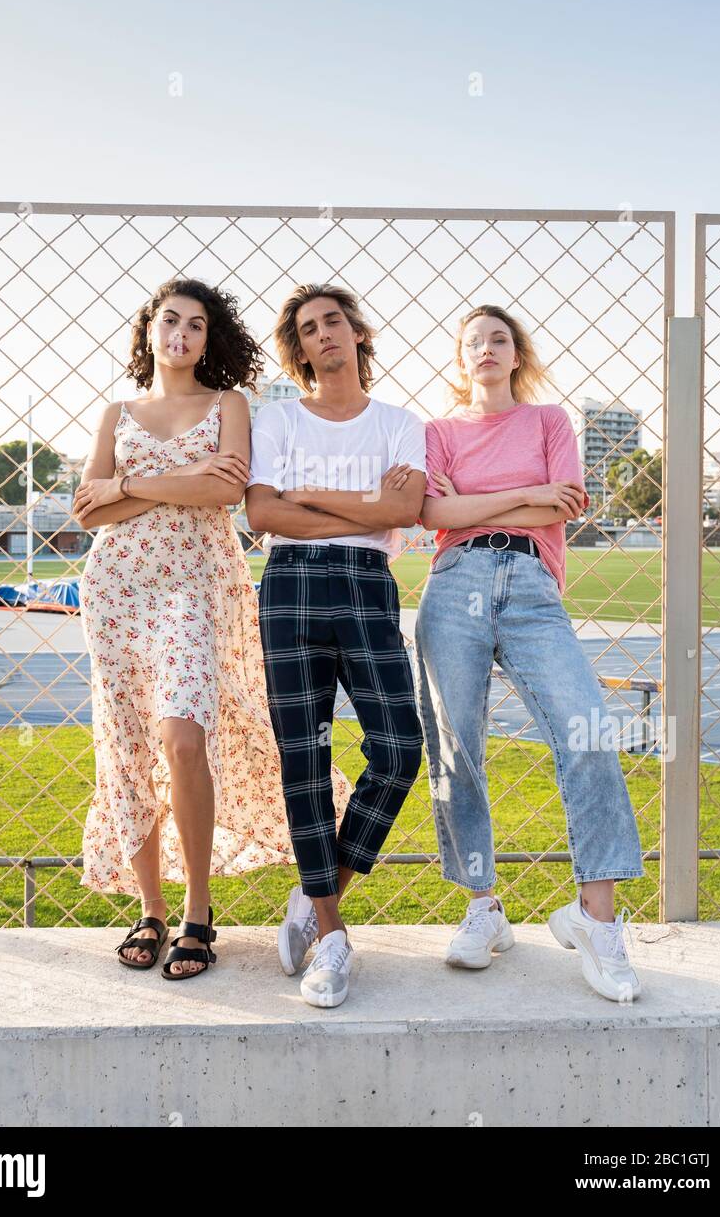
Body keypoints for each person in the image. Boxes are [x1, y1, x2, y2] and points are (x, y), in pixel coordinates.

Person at [73, 276, 305, 981]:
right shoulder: (117, 413)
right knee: (130, 745)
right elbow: (88, 510)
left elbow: (223, 491)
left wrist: (131, 486)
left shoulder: (228, 403)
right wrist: (164, 479)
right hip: (116, 589)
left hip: (192, 587)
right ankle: (151, 910)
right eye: (169, 320)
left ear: (211, 338)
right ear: (148, 330)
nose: (181, 334)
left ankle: (199, 910)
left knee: (182, 738)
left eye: (196, 325)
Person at [414, 304, 644, 1004]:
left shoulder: (548, 422)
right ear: (460, 359)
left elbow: (561, 506)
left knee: (589, 733)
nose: (485, 348)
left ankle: (595, 919)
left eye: (499, 339)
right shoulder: (438, 432)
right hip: (453, 587)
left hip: (530, 586)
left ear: (517, 354)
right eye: (472, 341)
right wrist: (524, 494)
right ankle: (483, 906)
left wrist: (477, 503)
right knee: (458, 751)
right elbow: (432, 516)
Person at [246, 283, 427, 1008]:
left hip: (366, 583)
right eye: (307, 329)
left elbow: (404, 511)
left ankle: (318, 890)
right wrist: (359, 508)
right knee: (305, 760)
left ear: (357, 333)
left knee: (399, 749)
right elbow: (263, 512)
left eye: (333, 322)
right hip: (288, 587)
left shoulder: (398, 422)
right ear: (299, 348)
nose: (323, 335)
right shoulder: (278, 417)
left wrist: (309, 497)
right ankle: (331, 934)